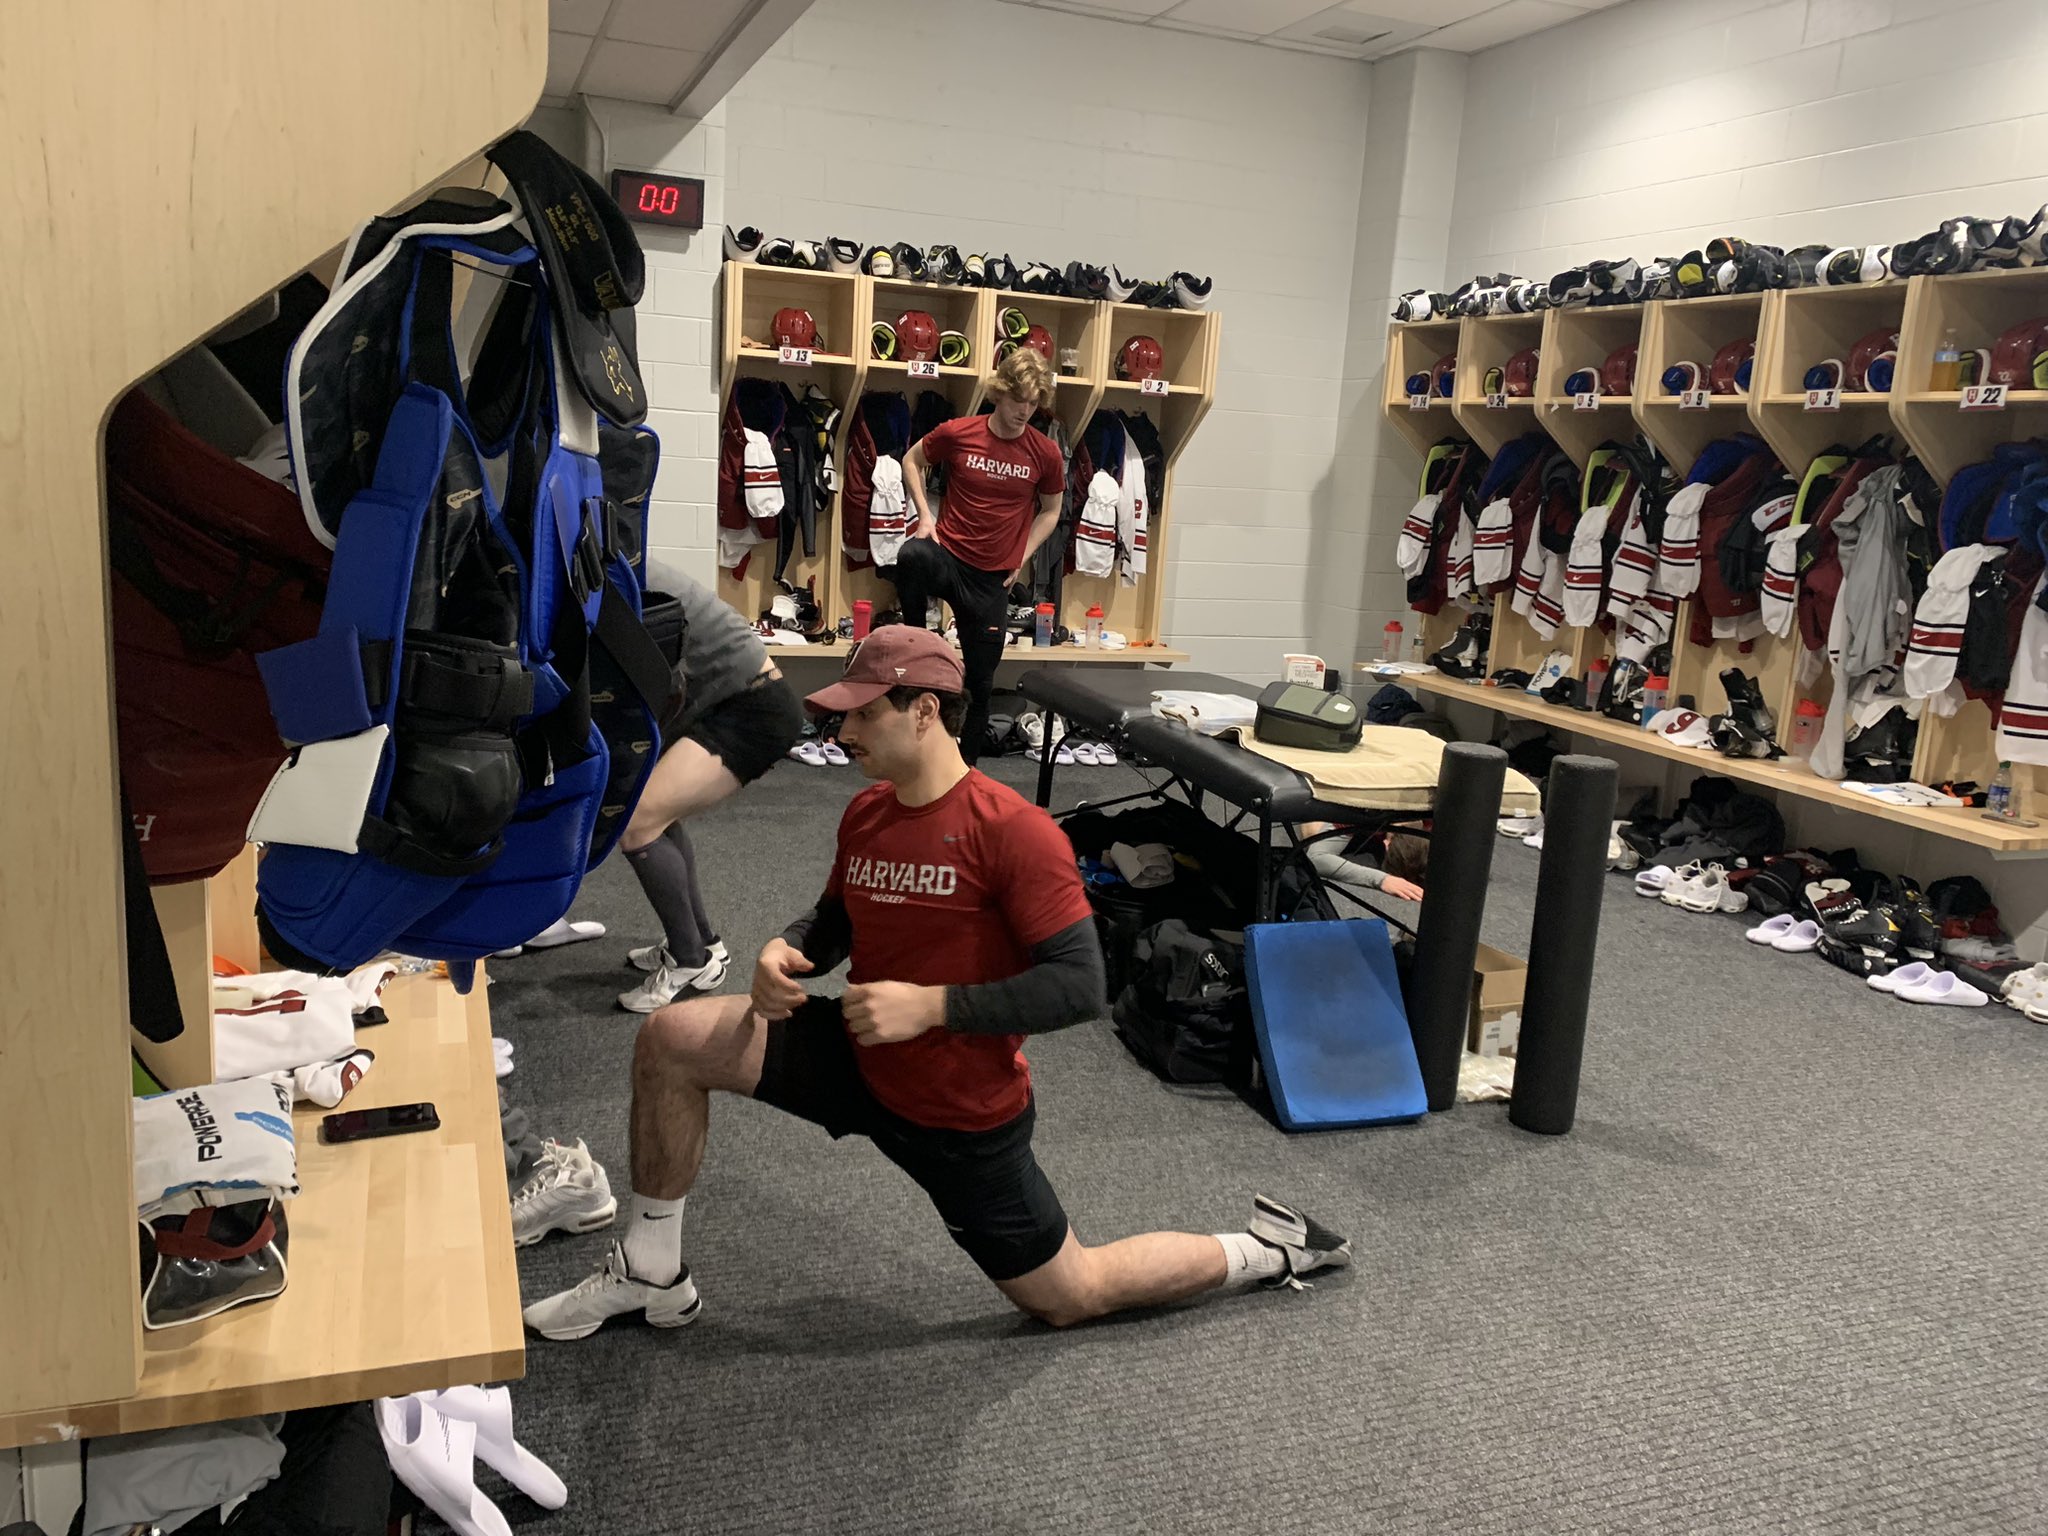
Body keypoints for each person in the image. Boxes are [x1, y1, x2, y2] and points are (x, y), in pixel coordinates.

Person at [522, 627, 1351, 1340]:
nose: (843, 731)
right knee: (672, 1039)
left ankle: (1266, 1250)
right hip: (856, 1053)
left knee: (1072, 1295)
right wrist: (787, 948)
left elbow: (1079, 987)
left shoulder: (1015, 832)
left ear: (924, 711)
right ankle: (652, 1273)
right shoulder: (869, 812)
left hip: (959, 1114)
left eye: (862, 713)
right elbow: (836, 921)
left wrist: (932, 1007)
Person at [613, 569, 806, 1013]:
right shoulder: (615, 563)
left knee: (638, 823)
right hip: (729, 702)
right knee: (658, 814)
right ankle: (703, 944)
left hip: (752, 707)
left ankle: (689, 961)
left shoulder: (610, 575)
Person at [892, 347, 1066, 762]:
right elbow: (911, 460)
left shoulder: (1044, 452)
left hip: (992, 579)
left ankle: (966, 772)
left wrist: (1022, 554)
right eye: (1018, 399)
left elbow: (1052, 511)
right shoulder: (959, 432)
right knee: (912, 555)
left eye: (1033, 403)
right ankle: (919, 640)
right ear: (999, 392)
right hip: (950, 558)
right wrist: (925, 515)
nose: (1025, 410)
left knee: (980, 684)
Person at [1299, 824, 1428, 904]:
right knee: (1313, 834)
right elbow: (1316, 859)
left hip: (1375, 830)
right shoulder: (1364, 812)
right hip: (1353, 815)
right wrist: (1382, 880)